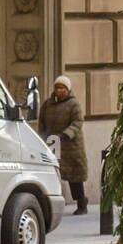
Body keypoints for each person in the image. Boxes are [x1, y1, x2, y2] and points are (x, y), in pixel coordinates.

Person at [39, 74, 88, 216]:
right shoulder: (47, 104)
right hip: (53, 143)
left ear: (68, 89)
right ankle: (54, 203)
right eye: (57, 87)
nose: (59, 90)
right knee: (53, 173)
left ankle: (81, 202)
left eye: (62, 88)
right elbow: (41, 121)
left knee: (75, 176)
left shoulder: (74, 104)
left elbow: (78, 121)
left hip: (70, 145)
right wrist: (42, 136)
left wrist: (67, 133)